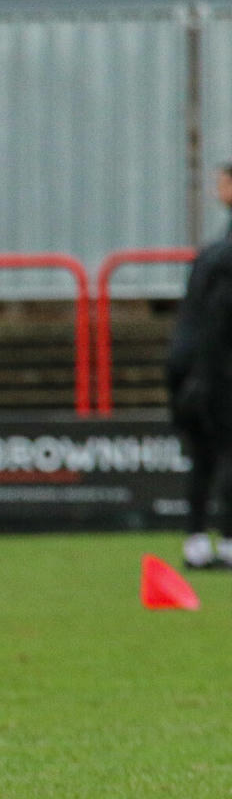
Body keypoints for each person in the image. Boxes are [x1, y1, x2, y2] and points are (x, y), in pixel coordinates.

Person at [167, 164, 232, 570]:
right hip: (213, 372)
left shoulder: (211, 253)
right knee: (225, 453)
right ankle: (226, 540)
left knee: (204, 457)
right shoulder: (223, 257)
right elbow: (216, 321)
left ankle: (196, 540)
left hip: (188, 367)